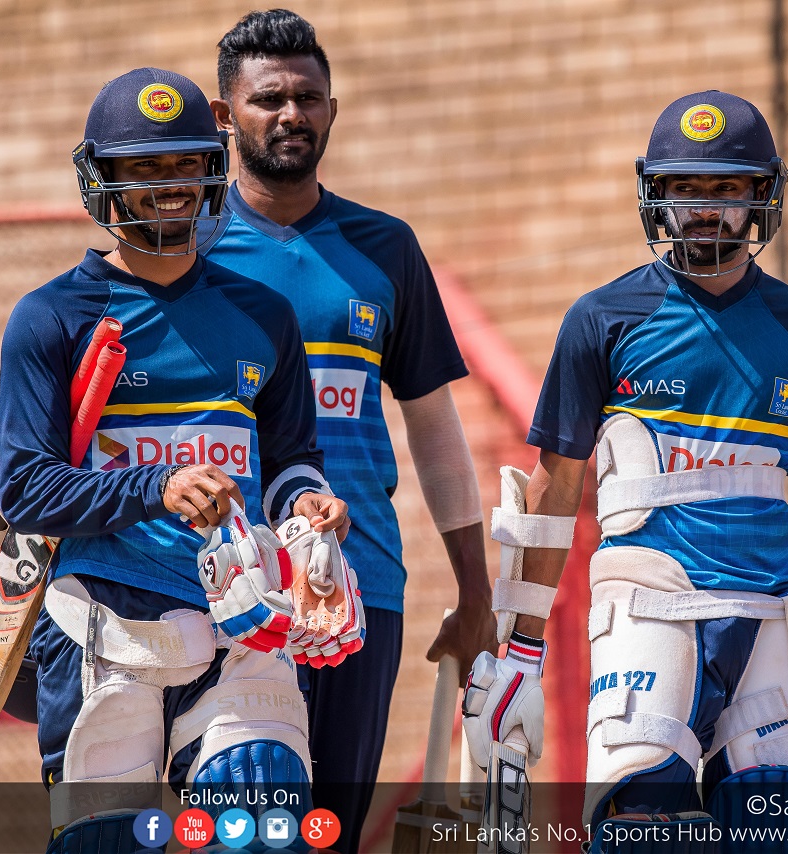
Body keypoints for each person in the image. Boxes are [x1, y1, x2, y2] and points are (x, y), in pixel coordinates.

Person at [462, 91, 788, 845]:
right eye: (685, 187)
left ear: (761, 195)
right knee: (647, 833)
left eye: (725, 189)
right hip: (647, 616)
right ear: (655, 193)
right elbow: (555, 487)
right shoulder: (602, 320)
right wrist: (522, 652)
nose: (703, 208)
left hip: (769, 623)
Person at [0, 67, 358, 852]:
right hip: (104, 623)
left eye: (186, 164)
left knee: (266, 829)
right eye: (145, 170)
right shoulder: (50, 318)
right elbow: (25, 487)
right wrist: (159, 485)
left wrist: (307, 505)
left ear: (212, 170)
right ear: (104, 180)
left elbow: (291, 460)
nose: (170, 186)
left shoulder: (264, 315)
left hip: (244, 619)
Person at [203, 10, 497, 849]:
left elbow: (435, 432)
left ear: (333, 110)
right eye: (268, 99)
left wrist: (474, 592)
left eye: (308, 97)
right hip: (226, 587)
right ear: (225, 116)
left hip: (361, 588)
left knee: (324, 833)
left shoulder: (387, 247)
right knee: (244, 831)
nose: (291, 114)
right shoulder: (188, 246)